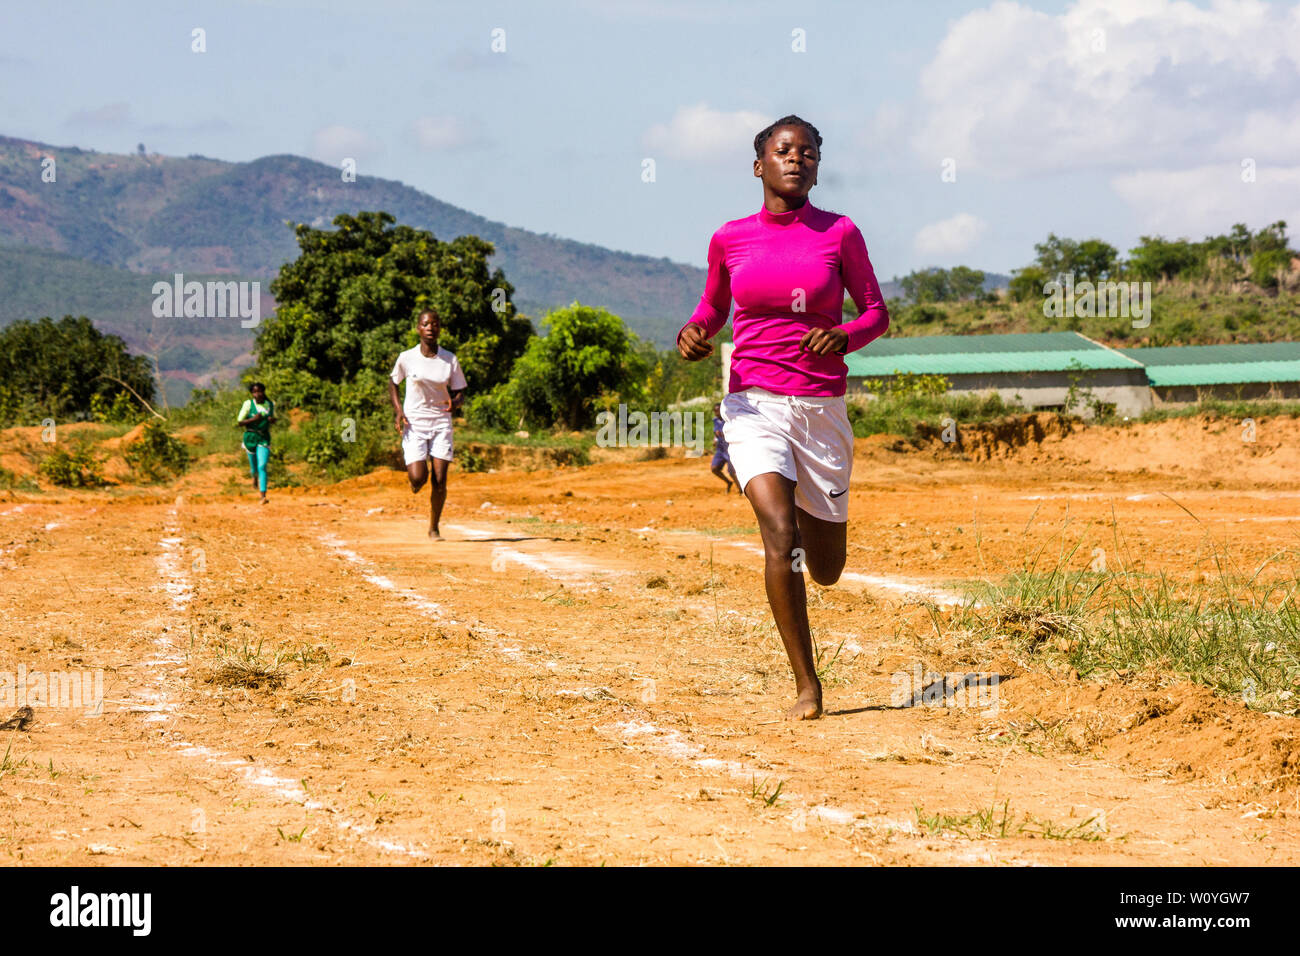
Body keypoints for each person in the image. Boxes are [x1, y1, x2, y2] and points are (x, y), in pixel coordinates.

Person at [677, 115, 890, 720]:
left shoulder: (840, 233)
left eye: (809, 153)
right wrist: (693, 332)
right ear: (759, 165)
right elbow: (712, 306)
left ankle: (810, 504)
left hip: (820, 411)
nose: (798, 159)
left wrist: (843, 337)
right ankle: (807, 685)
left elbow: (875, 313)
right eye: (785, 150)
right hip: (752, 404)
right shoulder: (731, 238)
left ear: (818, 166)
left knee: (826, 568)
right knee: (779, 532)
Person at [389, 308, 467, 539]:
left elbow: (461, 390)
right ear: (418, 329)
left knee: (440, 479)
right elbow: (393, 383)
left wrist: (456, 402)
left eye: (434, 324)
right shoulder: (407, 357)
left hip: (441, 421)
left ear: (440, 329)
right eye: (425, 324)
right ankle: (416, 480)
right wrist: (398, 410)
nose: (430, 327)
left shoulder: (449, 359)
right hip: (414, 422)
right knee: (418, 477)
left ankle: (434, 527)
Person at [236, 382, 276, 504]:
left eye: (259, 391)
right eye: (254, 392)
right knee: (254, 467)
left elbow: (273, 418)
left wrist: (272, 420)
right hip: (250, 437)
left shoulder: (269, 404)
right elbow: (240, 422)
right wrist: (253, 419)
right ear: (252, 393)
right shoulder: (248, 404)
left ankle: (263, 495)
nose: (257, 394)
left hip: (263, 437)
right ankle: (254, 477)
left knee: (262, 465)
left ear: (263, 392)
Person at [710, 402, 738, 492]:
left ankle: (741, 490)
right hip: (720, 449)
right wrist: (715, 439)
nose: (716, 413)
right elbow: (716, 432)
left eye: (718, 410)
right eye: (715, 411)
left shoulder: (729, 420)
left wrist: (724, 434)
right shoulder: (715, 420)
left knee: (732, 472)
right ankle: (728, 482)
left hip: (729, 448)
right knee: (714, 468)